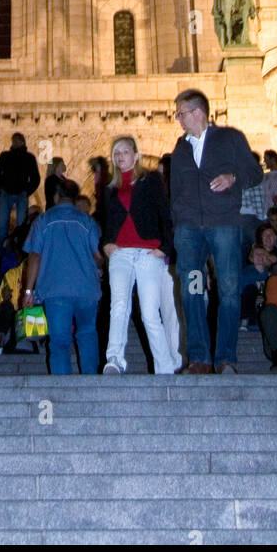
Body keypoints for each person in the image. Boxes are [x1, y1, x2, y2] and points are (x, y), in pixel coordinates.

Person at [170, 89, 263, 374]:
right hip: (190, 233)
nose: (178, 119)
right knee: (192, 291)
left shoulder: (231, 138)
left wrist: (232, 177)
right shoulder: (180, 147)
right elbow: (174, 188)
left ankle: (226, 358)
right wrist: (178, 223)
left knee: (229, 291)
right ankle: (199, 358)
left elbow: (255, 173)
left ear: (198, 113)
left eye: (181, 113)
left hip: (223, 225)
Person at [100, 136, 179, 375]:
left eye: (124, 151)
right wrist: (106, 243)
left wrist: (165, 247)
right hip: (121, 253)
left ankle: (164, 366)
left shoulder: (151, 180)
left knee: (149, 313)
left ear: (136, 155)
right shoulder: (109, 188)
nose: (120, 156)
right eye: (116, 153)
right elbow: (107, 221)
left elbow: (165, 214)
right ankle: (114, 359)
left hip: (148, 252)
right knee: (119, 306)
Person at [23, 178, 102, 375]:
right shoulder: (87, 222)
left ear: (56, 196)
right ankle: (91, 380)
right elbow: (99, 256)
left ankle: (62, 385)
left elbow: (34, 256)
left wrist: (28, 290)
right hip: (86, 289)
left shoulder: (43, 221)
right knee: (87, 333)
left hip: (55, 290)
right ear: (75, 199)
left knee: (59, 341)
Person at [0, 133, 41, 247]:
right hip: (6, 193)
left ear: (23, 142)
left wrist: (26, 191)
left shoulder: (29, 158)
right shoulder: (5, 156)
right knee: (2, 226)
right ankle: (1, 255)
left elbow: (36, 178)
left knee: (21, 226)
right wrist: (1, 187)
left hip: (21, 195)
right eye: (14, 140)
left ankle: (20, 252)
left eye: (18, 140)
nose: (16, 142)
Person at [240, 224, 277, 330]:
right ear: (252, 257)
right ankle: (244, 322)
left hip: (264, 308)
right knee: (250, 290)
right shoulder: (245, 273)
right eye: (257, 254)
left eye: (262, 254)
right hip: (249, 307)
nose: (260, 257)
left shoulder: (270, 274)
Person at [239, 155, 267, 263]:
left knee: (244, 250)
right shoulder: (256, 176)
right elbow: (259, 199)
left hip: (242, 216)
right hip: (252, 216)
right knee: (257, 249)